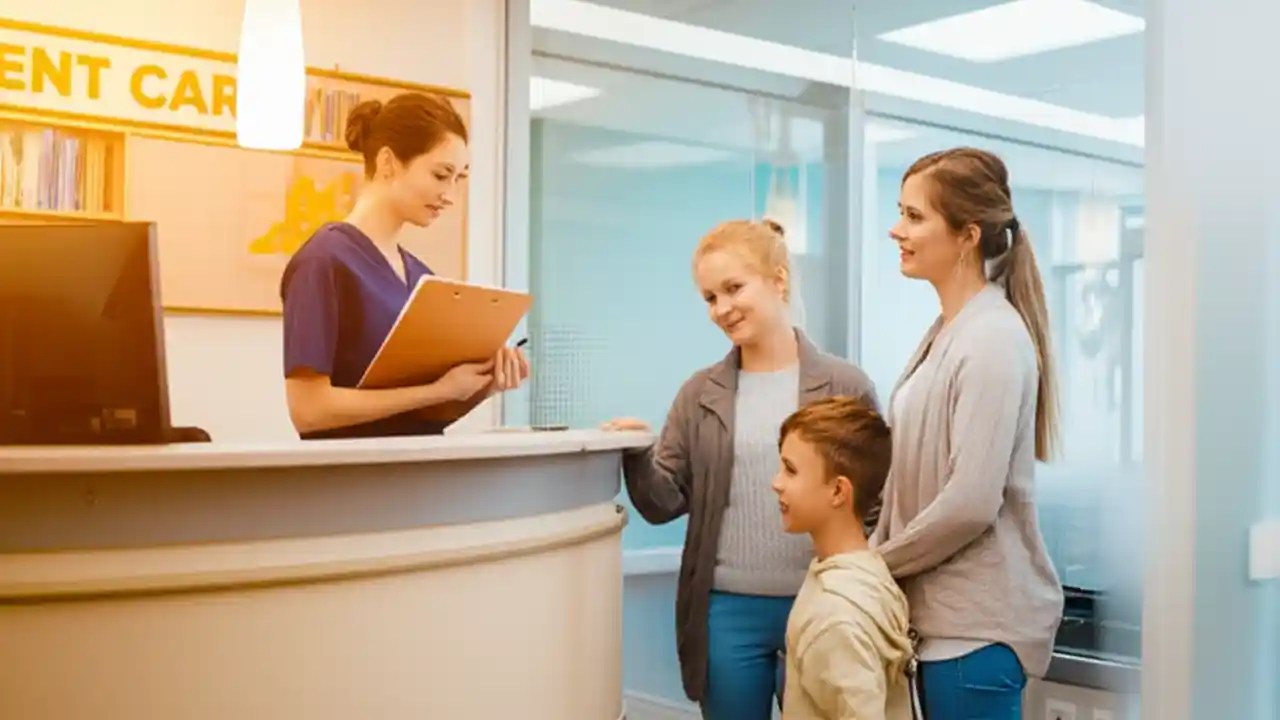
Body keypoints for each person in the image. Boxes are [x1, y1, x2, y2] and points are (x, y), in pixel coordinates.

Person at [603, 219, 878, 720]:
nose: (722, 309)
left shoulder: (846, 385)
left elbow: (876, 503)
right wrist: (636, 452)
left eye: (733, 288)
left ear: (778, 280)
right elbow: (664, 503)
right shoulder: (699, 394)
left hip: (825, 603)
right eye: (710, 297)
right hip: (727, 614)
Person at [872, 147, 1064, 720]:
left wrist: (869, 565)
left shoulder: (992, 340)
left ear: (967, 235)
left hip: (972, 639)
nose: (896, 229)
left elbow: (970, 504)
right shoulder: (952, 331)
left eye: (913, 216)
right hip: (940, 632)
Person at [279, 92, 528, 439]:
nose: (451, 196)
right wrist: (438, 391)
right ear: (387, 163)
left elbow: (422, 416)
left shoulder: (421, 277)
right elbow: (308, 411)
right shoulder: (323, 261)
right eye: (441, 175)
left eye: (459, 179)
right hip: (348, 482)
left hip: (416, 478)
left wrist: (483, 385)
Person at [772, 396, 913, 720]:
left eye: (790, 470)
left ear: (838, 491)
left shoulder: (837, 616)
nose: (776, 482)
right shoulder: (864, 571)